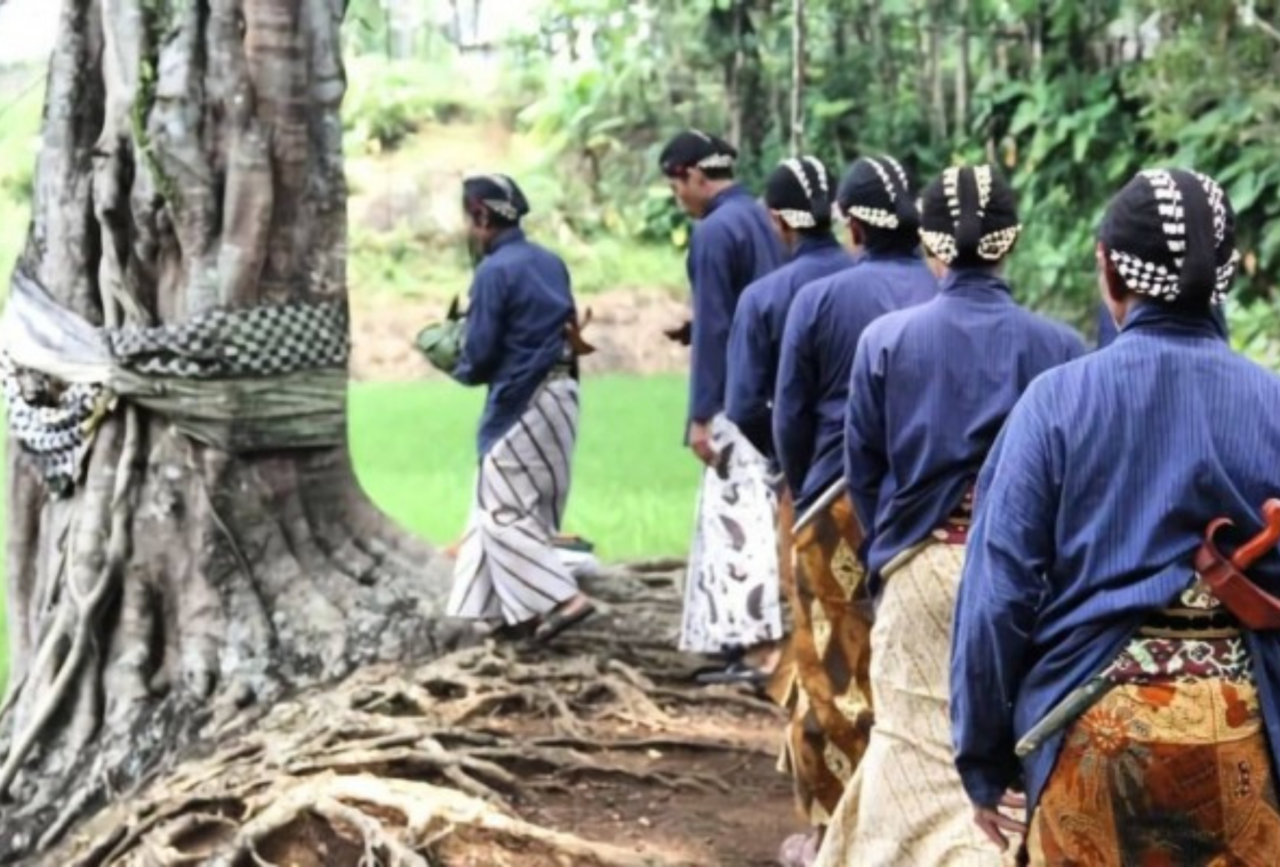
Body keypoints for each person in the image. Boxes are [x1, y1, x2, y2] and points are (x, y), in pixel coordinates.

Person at [951, 168, 1280, 865]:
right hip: (1244, 735)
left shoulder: (1056, 404)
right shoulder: (1272, 404)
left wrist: (984, 760)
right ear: (1225, 278)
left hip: (1091, 730)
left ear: (1108, 268)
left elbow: (997, 598)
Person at [815, 165, 1085, 867]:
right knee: (1013, 740)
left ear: (931, 245)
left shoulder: (887, 341)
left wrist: (900, 547)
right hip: (1027, 580)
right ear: (1011, 242)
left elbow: (865, 476)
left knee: (909, 744)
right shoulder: (1059, 349)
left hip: (921, 567)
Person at [769, 156, 937, 859]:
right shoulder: (941, 288)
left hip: (837, 506)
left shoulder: (822, 299)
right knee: (917, 677)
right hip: (931, 509)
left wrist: (801, 485)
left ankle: (831, 836)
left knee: (834, 677)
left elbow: (791, 418)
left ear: (852, 225)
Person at [658, 130, 788, 678]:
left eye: (675, 185)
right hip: (779, 387)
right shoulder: (767, 218)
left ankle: (758, 650)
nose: (678, 198)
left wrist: (699, 416)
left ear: (693, 175)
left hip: (739, 395)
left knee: (739, 517)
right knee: (763, 509)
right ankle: (745, 642)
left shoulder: (714, 231)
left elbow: (717, 326)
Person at [445, 174, 594, 643]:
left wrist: (453, 356)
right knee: (522, 510)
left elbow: (480, 356)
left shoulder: (493, 272)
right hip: (562, 396)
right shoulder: (550, 263)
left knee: (501, 513)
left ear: (482, 217)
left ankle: (561, 599)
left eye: (469, 220)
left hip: (520, 400)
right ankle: (513, 618)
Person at [724, 156, 858, 459]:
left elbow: (743, 406)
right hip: (879, 471)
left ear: (778, 219)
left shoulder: (761, 298)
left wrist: (784, 456)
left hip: (810, 476)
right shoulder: (873, 283)